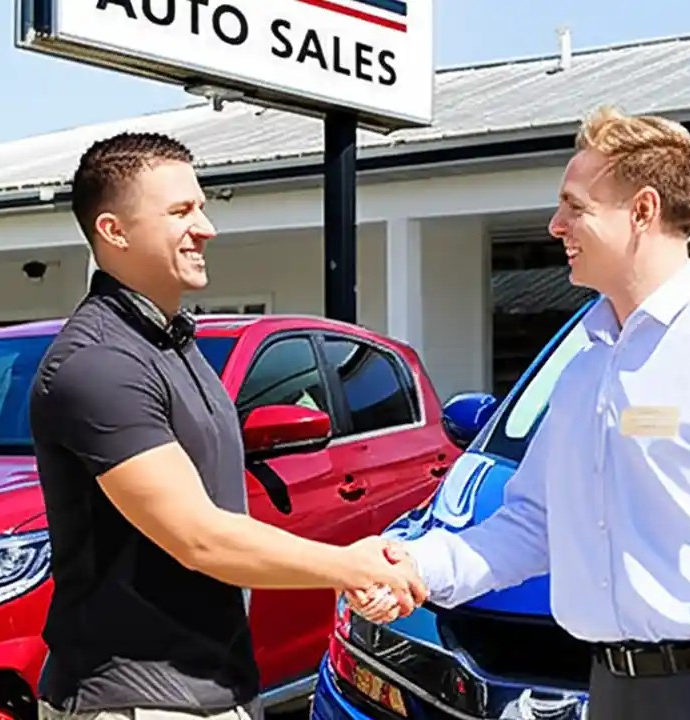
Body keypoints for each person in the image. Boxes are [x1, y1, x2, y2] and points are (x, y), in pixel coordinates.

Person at [349, 106, 690, 720]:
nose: (555, 226)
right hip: (607, 691)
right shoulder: (585, 370)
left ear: (643, 211)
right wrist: (416, 565)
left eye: (575, 207)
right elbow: (531, 524)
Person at [28, 131, 424, 720]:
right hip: (139, 701)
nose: (206, 228)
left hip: (215, 687)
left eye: (203, 208)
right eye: (181, 211)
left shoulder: (172, 343)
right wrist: (350, 567)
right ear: (114, 231)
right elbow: (199, 537)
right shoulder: (98, 364)